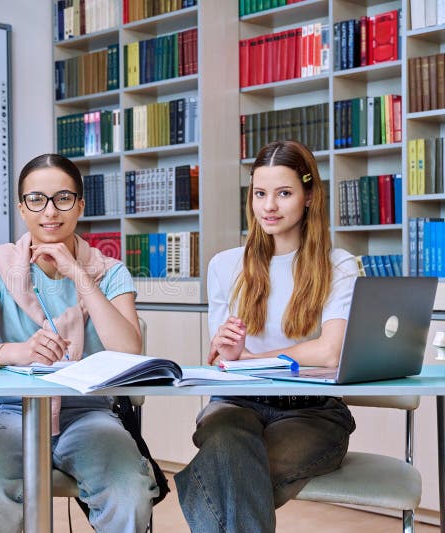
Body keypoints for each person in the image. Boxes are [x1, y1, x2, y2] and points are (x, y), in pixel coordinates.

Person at [0, 153, 158, 532]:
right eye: (36, 200)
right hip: (10, 411)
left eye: (63, 198)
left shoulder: (110, 272)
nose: (50, 211)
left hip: (90, 412)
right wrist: (19, 352)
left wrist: (78, 274)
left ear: (80, 205)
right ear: (21, 208)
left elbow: (130, 352)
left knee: (130, 493)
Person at [174, 140, 359, 533]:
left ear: (309, 197)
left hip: (311, 412)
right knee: (229, 449)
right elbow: (223, 363)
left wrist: (250, 359)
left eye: (284, 193)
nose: (268, 206)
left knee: (223, 469)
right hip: (236, 403)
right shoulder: (225, 266)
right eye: (260, 193)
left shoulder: (337, 265)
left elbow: (329, 353)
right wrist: (227, 352)